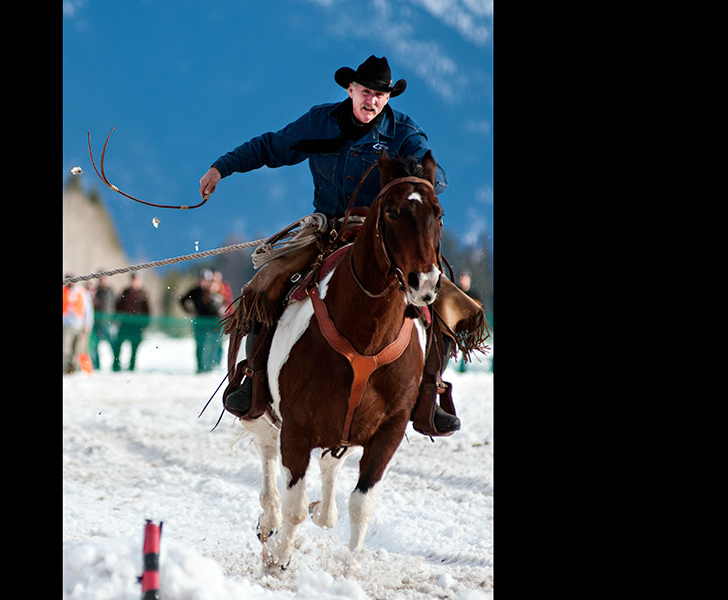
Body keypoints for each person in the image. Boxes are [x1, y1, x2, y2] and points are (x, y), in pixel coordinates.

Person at [199, 55, 486, 435]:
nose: (372, 102)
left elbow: (436, 181)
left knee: (447, 300)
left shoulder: (404, 133)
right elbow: (271, 146)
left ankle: (430, 396)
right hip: (327, 230)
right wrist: (222, 167)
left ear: (388, 99)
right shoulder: (320, 122)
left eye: (380, 96)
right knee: (264, 284)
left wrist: (413, 176)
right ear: (350, 90)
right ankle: (252, 381)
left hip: (387, 236)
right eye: (366, 92)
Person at [180, 270, 225, 373]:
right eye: (202, 280)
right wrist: (190, 311)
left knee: (215, 344)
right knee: (200, 344)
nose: (204, 282)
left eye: (206, 280)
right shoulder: (195, 292)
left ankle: (212, 365)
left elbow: (222, 304)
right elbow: (182, 300)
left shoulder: (214, 291)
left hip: (214, 322)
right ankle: (201, 366)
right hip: (200, 322)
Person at [113, 273, 151, 371]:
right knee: (118, 343)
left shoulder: (143, 293)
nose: (134, 282)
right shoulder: (125, 291)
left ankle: (132, 366)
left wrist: (145, 323)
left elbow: (147, 310)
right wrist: (117, 317)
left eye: (136, 279)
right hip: (125, 323)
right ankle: (116, 364)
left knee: (135, 346)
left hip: (137, 325)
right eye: (133, 279)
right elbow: (118, 305)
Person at [63, 276, 94, 374]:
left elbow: (88, 309)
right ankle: (65, 368)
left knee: (77, 350)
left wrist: (88, 323)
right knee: (65, 349)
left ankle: (75, 369)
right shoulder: (64, 292)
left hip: (78, 325)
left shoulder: (81, 292)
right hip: (66, 325)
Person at [90, 273, 117, 370]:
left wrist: (114, 319)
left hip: (108, 321)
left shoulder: (110, 291)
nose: (103, 280)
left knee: (112, 344)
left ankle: (115, 364)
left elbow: (114, 305)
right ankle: (97, 365)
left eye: (104, 278)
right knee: (95, 345)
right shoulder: (96, 291)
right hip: (97, 322)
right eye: (101, 279)